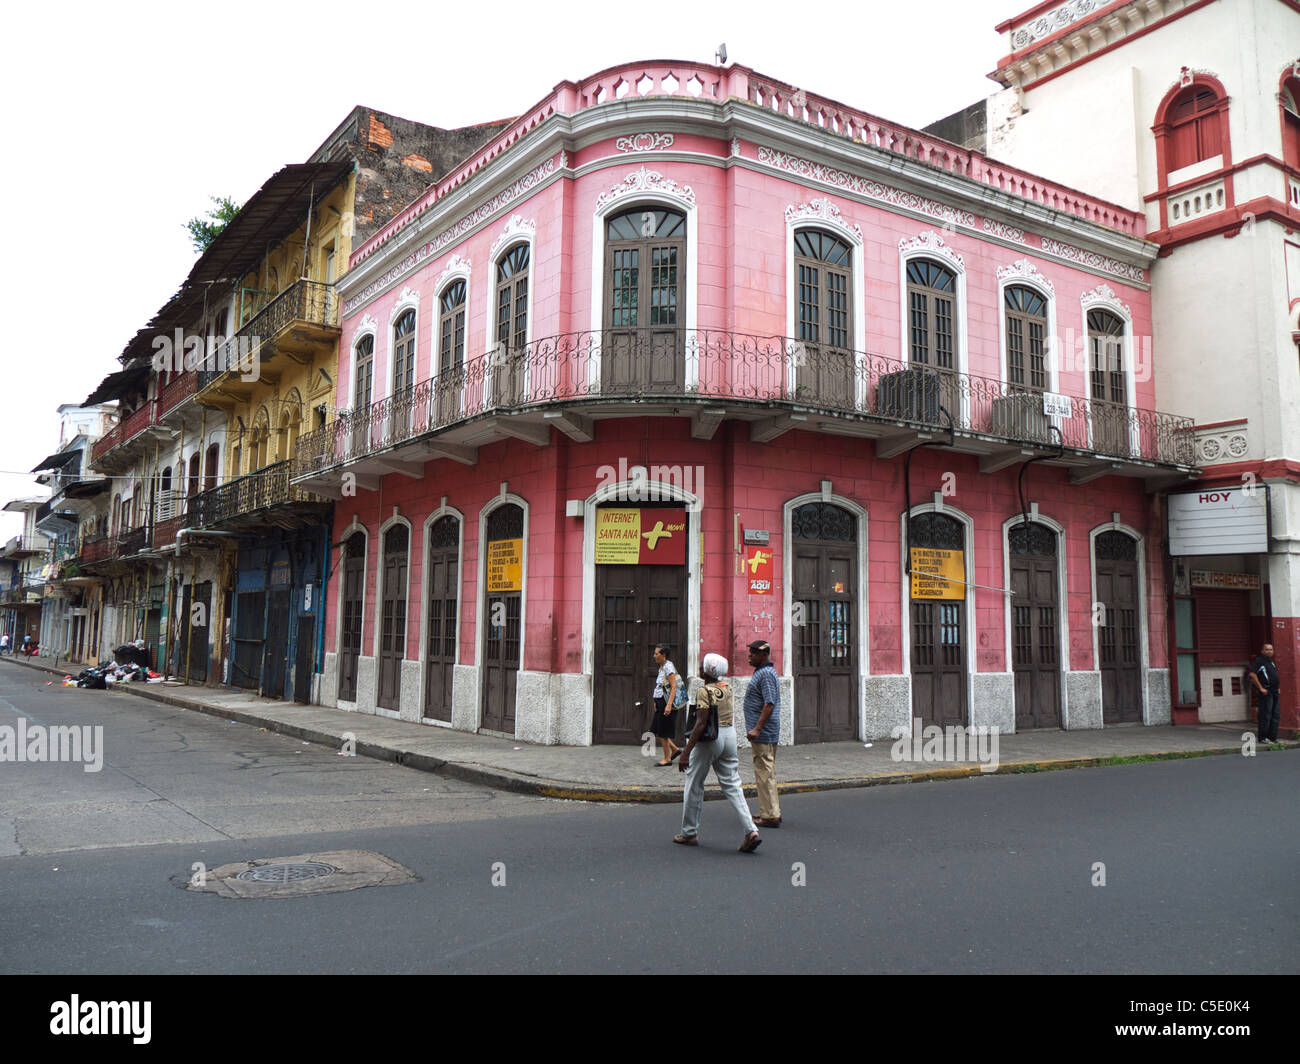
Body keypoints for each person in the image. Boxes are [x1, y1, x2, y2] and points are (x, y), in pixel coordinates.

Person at [674, 652, 761, 852]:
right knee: (733, 784)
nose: (699, 668)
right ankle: (751, 829)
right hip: (729, 735)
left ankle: (689, 832)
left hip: (710, 739)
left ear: (707, 671)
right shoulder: (727, 687)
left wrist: (686, 752)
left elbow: (701, 723)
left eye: (702, 665)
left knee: (694, 783)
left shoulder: (704, 691)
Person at [744, 639, 782, 827]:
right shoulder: (762, 672)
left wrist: (757, 728)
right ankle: (770, 810)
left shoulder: (766, 674)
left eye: (753, 653)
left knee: (764, 773)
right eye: (750, 652)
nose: (749, 656)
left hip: (764, 733)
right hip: (764, 732)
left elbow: (769, 703)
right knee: (766, 772)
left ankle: (770, 815)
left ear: (764, 655)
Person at [649, 644, 683, 766]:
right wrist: (655, 701)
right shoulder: (662, 667)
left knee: (663, 732)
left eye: (656, 654)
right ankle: (675, 750)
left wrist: (668, 705)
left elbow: (674, 687)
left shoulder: (668, 667)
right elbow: (660, 686)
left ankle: (667, 758)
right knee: (657, 729)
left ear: (663, 655)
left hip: (665, 702)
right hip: (660, 701)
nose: (654, 656)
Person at [1249, 643, 1281, 745]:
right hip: (1266, 692)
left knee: (1275, 715)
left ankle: (1273, 738)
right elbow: (1252, 675)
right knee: (1265, 715)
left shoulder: (1271, 662)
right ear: (1262, 651)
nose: (1269, 651)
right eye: (1267, 649)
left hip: (1275, 691)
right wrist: (1261, 688)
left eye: (1271, 649)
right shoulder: (1259, 661)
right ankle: (1263, 737)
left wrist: (1277, 687)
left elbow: (1273, 675)